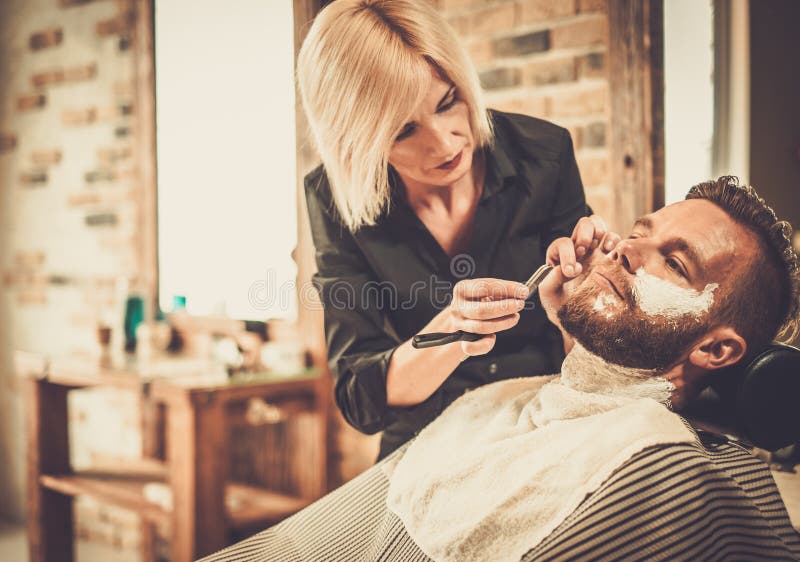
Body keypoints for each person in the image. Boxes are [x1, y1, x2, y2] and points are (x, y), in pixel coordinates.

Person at [200, 177, 799, 561]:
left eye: (673, 262)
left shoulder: (658, 470)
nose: (624, 249)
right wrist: (576, 320)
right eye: (639, 233)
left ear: (717, 353)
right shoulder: (505, 404)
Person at [298, 0, 611, 461]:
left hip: (542, 423)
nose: (445, 142)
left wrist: (578, 305)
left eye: (448, 102)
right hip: (426, 445)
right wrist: (453, 331)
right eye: (403, 130)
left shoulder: (545, 154)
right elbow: (358, 396)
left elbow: (588, 363)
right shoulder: (333, 197)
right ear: (356, 138)